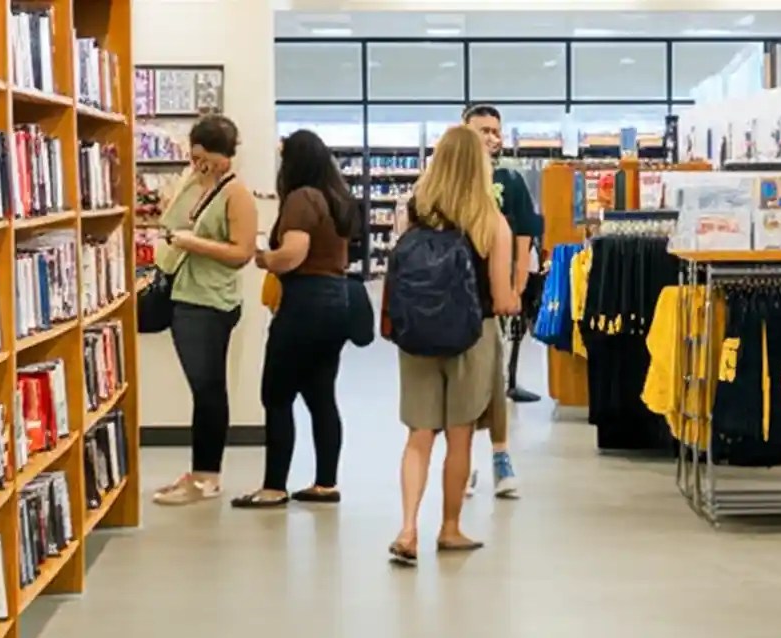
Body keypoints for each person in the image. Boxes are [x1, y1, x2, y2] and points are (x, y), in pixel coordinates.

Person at [389, 125, 518, 564]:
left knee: (418, 435)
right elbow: (500, 300)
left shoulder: (412, 212)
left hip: (417, 336)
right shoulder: (492, 221)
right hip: (471, 337)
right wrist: (515, 298)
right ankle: (449, 528)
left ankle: (407, 530)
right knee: (459, 438)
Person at [231, 130, 360, 508]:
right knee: (321, 396)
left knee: (276, 394)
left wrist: (263, 257)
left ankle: (273, 487)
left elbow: (293, 253)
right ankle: (325, 482)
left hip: (304, 303)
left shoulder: (303, 198)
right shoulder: (337, 199)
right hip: (336, 302)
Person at [153, 115, 259, 506]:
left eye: (205, 156)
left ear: (224, 154)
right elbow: (170, 221)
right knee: (202, 390)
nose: (200, 162)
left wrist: (194, 244)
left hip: (211, 302)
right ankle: (199, 472)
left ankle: (207, 475)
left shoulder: (237, 194)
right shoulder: (197, 183)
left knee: (209, 389)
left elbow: (241, 253)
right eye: (194, 155)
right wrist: (189, 181)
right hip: (183, 294)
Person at [461, 104, 541, 500]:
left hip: (492, 296)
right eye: (482, 130)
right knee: (458, 385)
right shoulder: (453, 182)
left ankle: (500, 455)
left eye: (495, 131)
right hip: (454, 295)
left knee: (492, 379)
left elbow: (524, 236)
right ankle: (464, 463)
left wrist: (516, 285)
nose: (491, 138)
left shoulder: (510, 180)